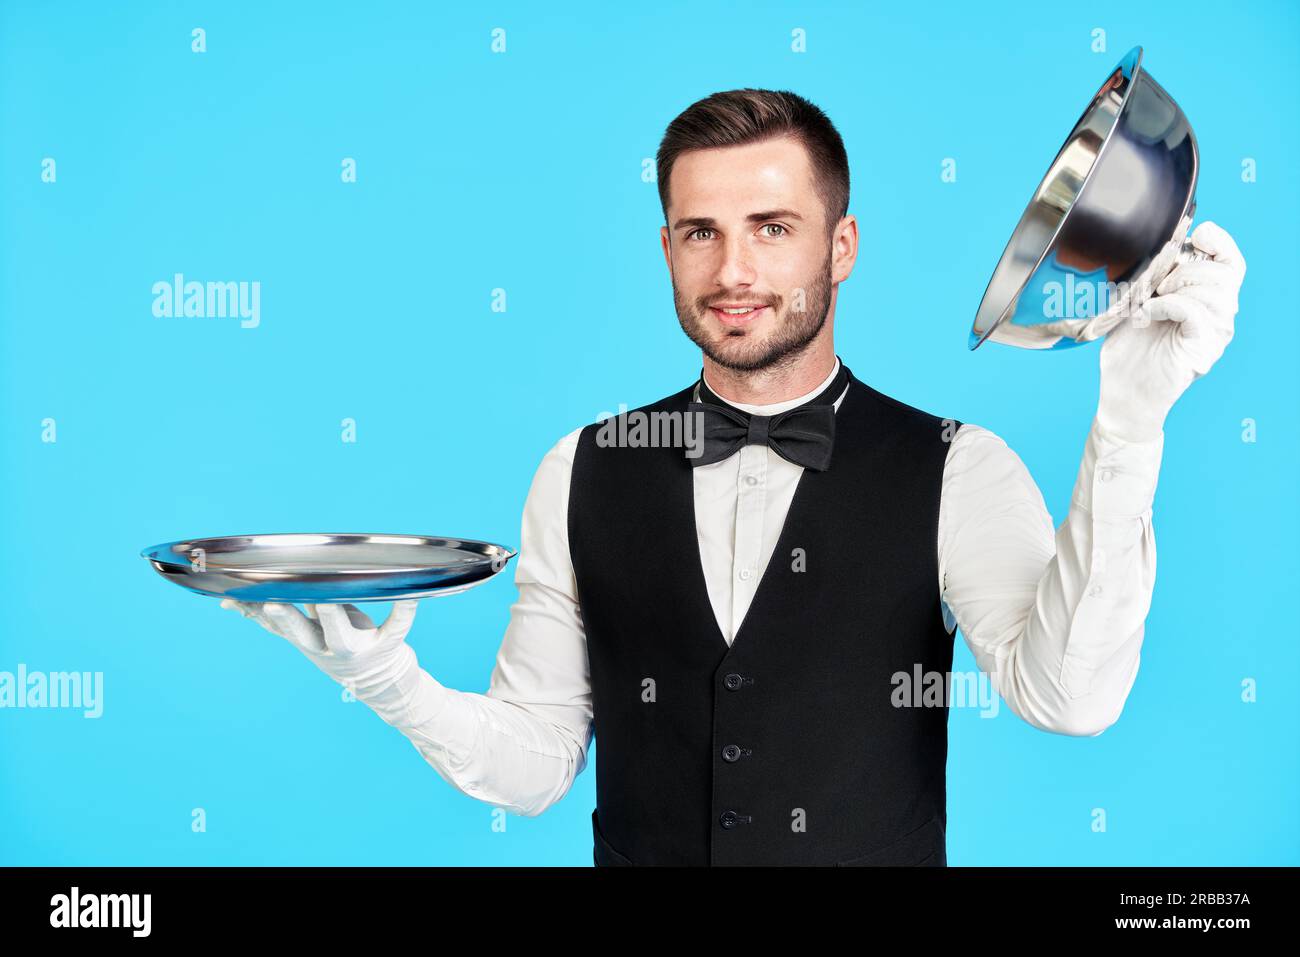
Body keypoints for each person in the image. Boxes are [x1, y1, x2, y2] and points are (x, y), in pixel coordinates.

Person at [222, 89, 1246, 866]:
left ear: (840, 246)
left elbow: (1067, 698)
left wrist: (1130, 418)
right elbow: (534, 770)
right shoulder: (577, 470)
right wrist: (382, 679)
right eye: (700, 232)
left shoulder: (957, 469)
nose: (733, 274)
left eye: (772, 227)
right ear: (665, 247)